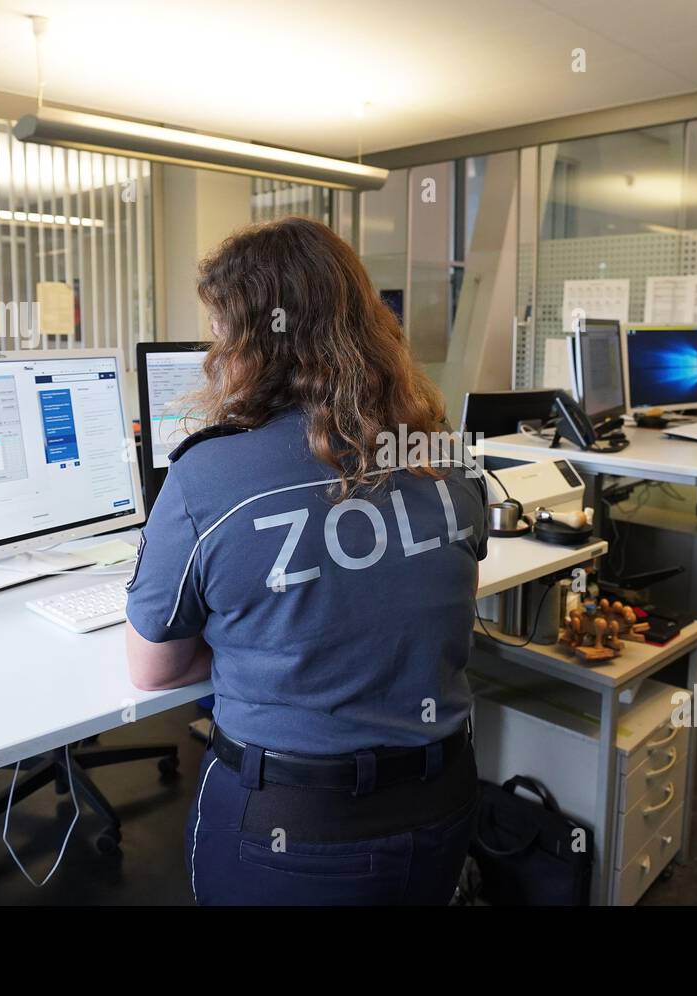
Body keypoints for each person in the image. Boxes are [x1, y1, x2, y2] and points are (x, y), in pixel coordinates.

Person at [124, 216, 487, 905]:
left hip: (296, 832)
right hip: (443, 803)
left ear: (245, 341)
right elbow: (437, 605)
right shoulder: (444, 456)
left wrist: (263, 638)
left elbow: (151, 669)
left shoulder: (206, 477)